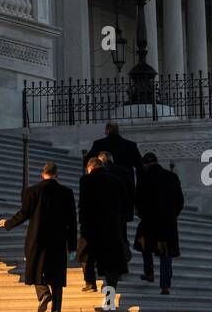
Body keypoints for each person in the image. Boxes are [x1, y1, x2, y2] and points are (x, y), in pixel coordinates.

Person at [0, 162, 77, 312]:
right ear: (57, 174)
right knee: (56, 278)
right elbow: (72, 221)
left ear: (43, 174)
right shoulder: (67, 193)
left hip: (37, 238)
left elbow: (24, 214)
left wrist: (8, 223)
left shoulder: (31, 192)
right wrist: (72, 245)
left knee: (34, 269)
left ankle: (43, 293)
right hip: (59, 240)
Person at [76, 157, 130, 296]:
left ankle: (90, 283)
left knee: (85, 256)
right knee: (111, 265)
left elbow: (83, 203)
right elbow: (125, 203)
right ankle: (109, 298)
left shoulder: (86, 180)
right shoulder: (117, 180)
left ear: (90, 168)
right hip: (111, 226)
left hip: (91, 225)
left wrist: (82, 221)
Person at [132, 153, 184, 295]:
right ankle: (165, 285)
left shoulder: (144, 178)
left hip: (149, 221)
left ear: (146, 165)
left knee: (145, 246)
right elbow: (180, 200)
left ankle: (149, 272)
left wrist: (142, 214)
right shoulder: (171, 177)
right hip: (167, 222)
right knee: (165, 253)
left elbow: (137, 200)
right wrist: (173, 214)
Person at [84, 122, 142, 208]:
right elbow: (140, 166)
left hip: (104, 188)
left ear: (107, 131)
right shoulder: (130, 145)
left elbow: (86, 161)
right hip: (125, 187)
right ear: (118, 131)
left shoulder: (99, 144)